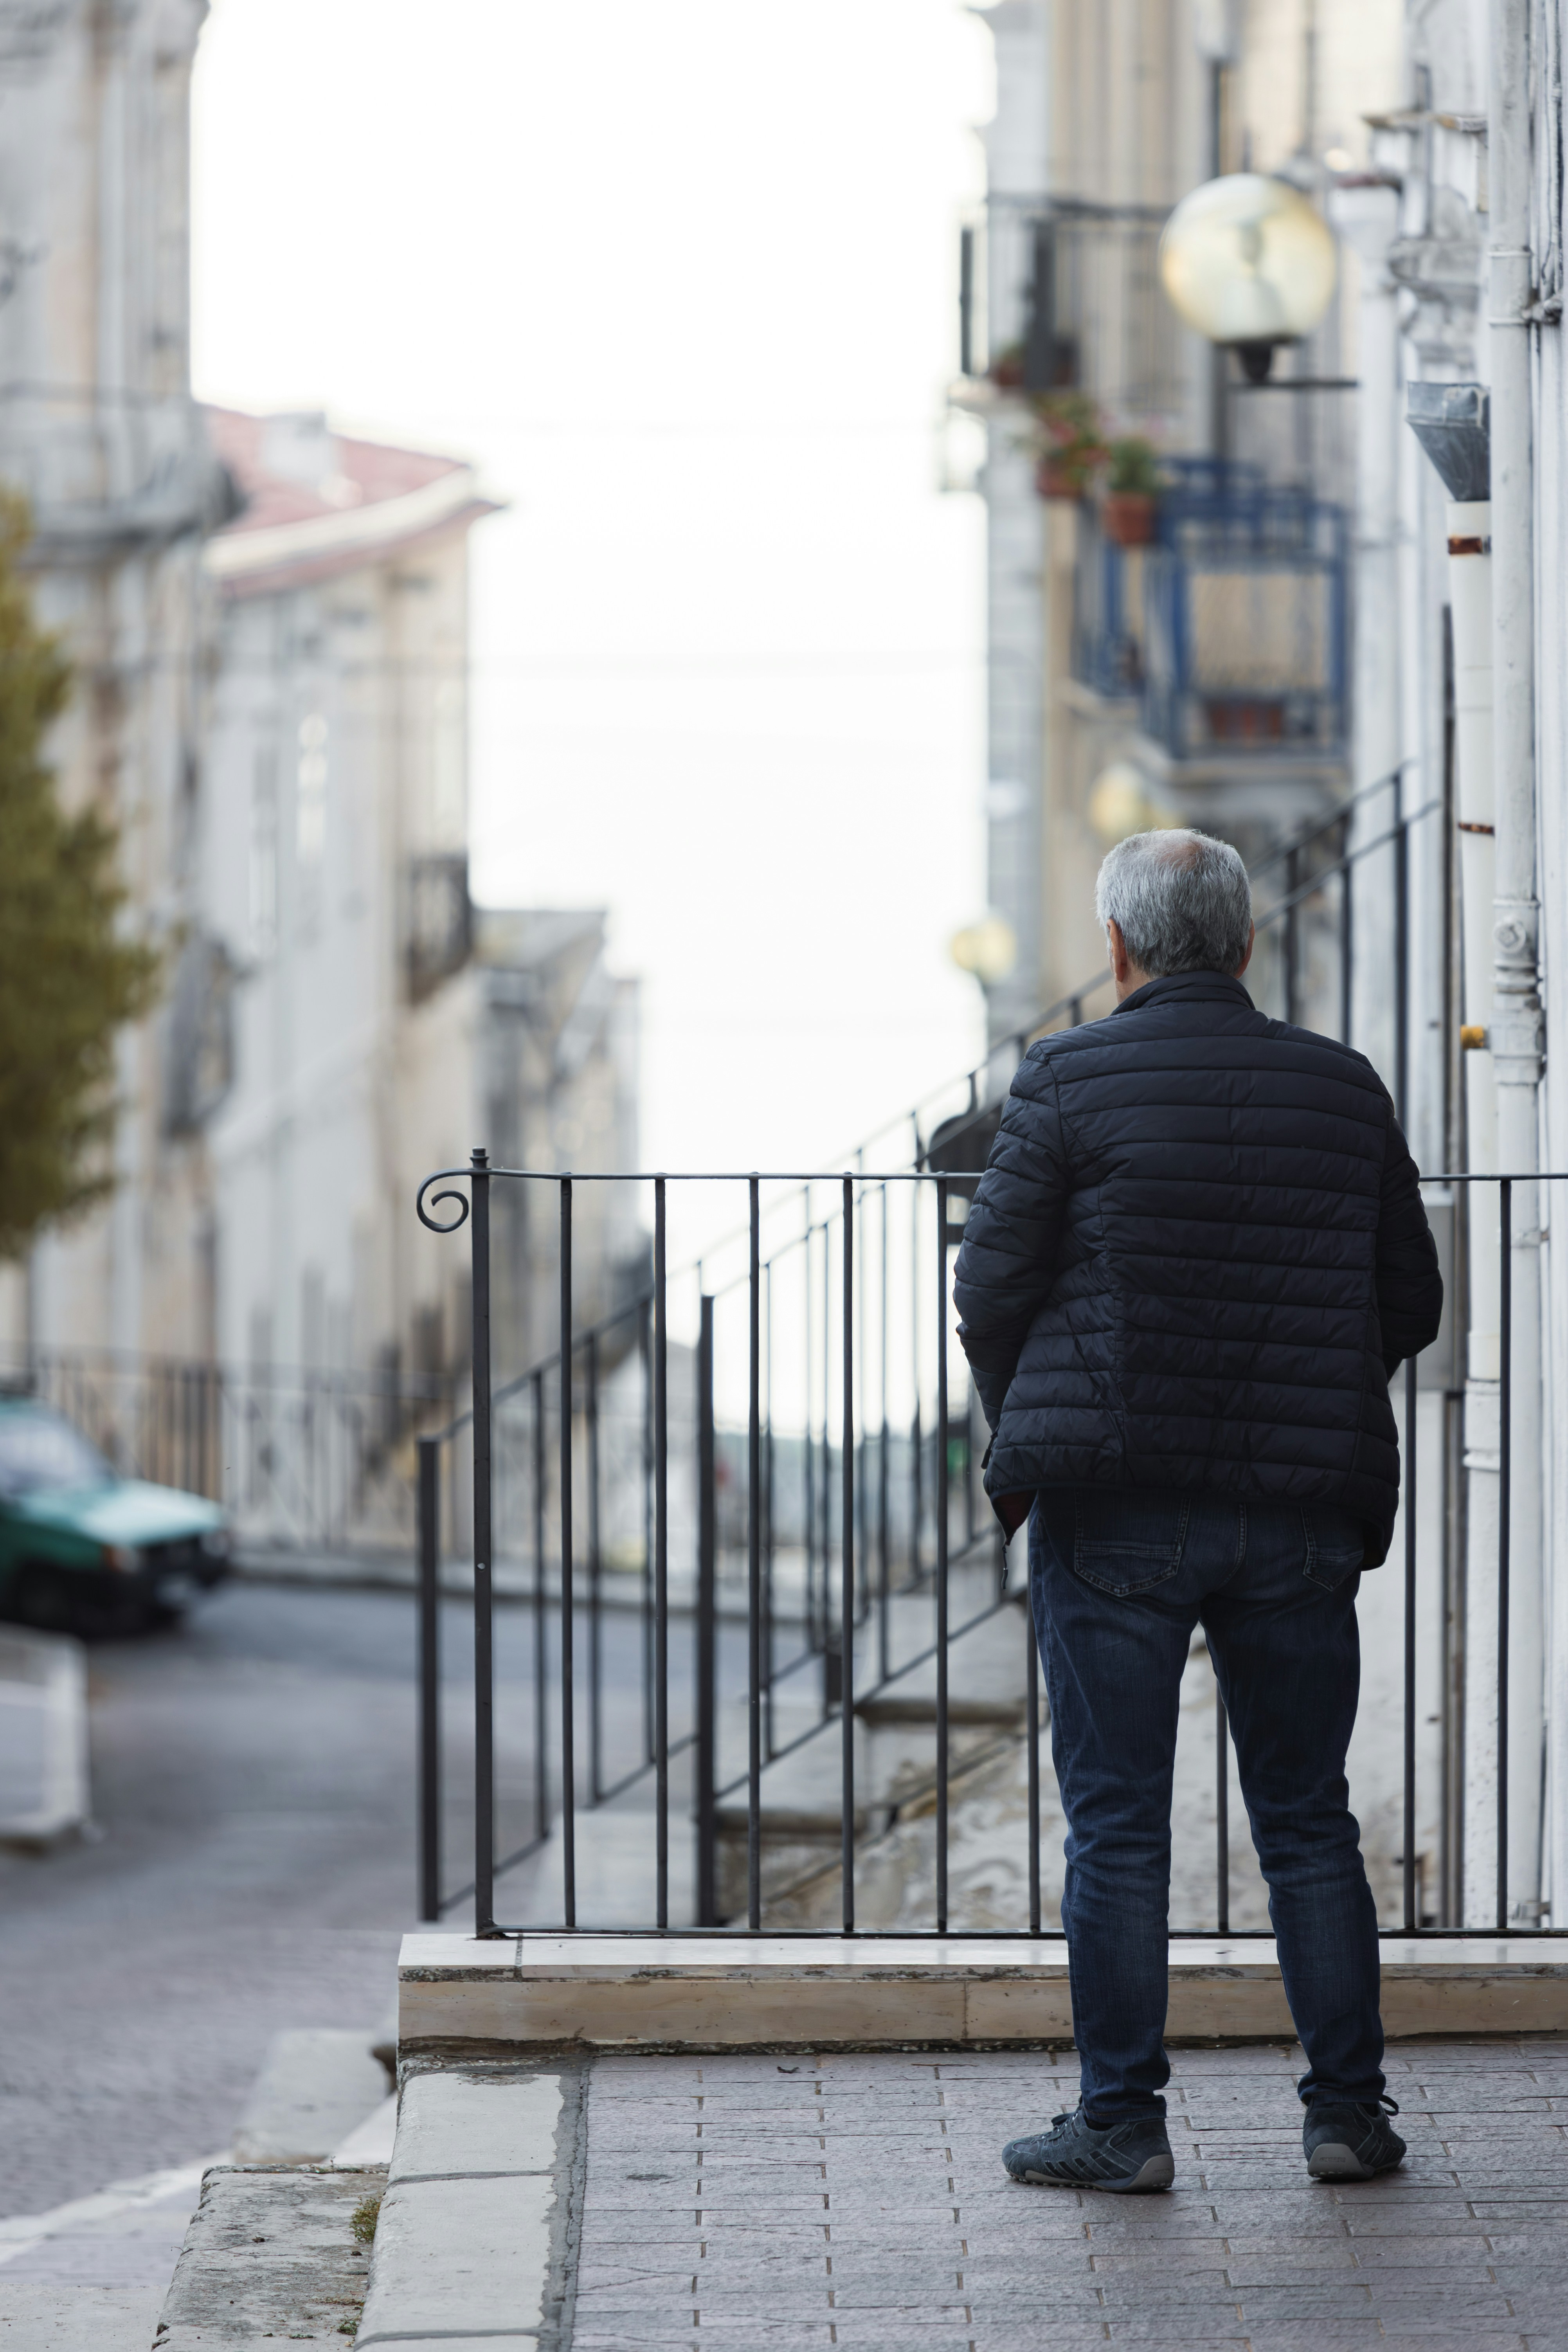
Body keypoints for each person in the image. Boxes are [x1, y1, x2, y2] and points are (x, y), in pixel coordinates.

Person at [952, 828, 1443, 2194]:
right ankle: (1348, 2114)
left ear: (1118, 949)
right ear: (1244, 943)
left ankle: (1124, 2125)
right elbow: (1413, 1303)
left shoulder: (1063, 1074)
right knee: (1307, 1818)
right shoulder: (1343, 1089)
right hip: (1297, 1510)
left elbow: (988, 1287)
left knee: (1117, 1824)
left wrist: (1034, 1410)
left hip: (1111, 1505)